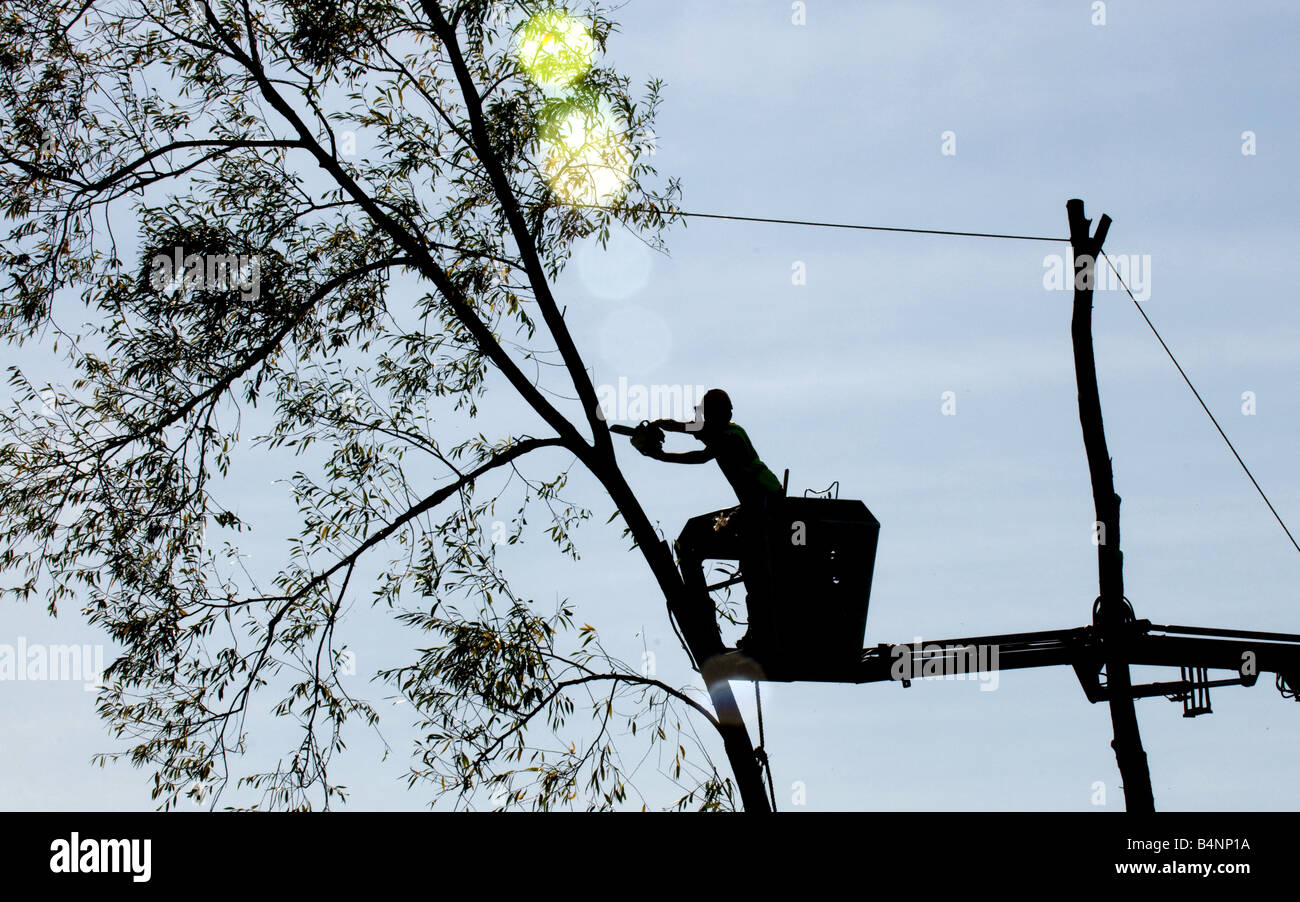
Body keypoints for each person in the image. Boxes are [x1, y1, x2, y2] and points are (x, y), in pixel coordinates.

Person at [636, 389, 783, 656]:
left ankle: (756, 632)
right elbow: (684, 426)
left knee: (753, 567)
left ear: (716, 415)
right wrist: (658, 424)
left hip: (764, 505)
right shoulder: (720, 428)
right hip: (755, 504)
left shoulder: (729, 437)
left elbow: (700, 457)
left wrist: (661, 456)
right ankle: (751, 629)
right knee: (713, 546)